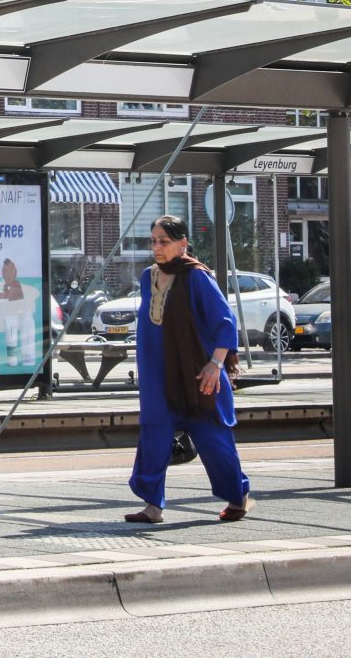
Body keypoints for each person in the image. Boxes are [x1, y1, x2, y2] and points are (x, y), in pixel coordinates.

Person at [126, 215, 251, 525]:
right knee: (154, 435)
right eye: (153, 241)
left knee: (212, 438)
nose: (157, 247)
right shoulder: (147, 277)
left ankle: (238, 496)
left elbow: (225, 321)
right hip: (158, 374)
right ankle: (152, 505)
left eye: (164, 242)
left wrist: (215, 364)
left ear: (182, 243)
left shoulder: (196, 277)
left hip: (199, 373)